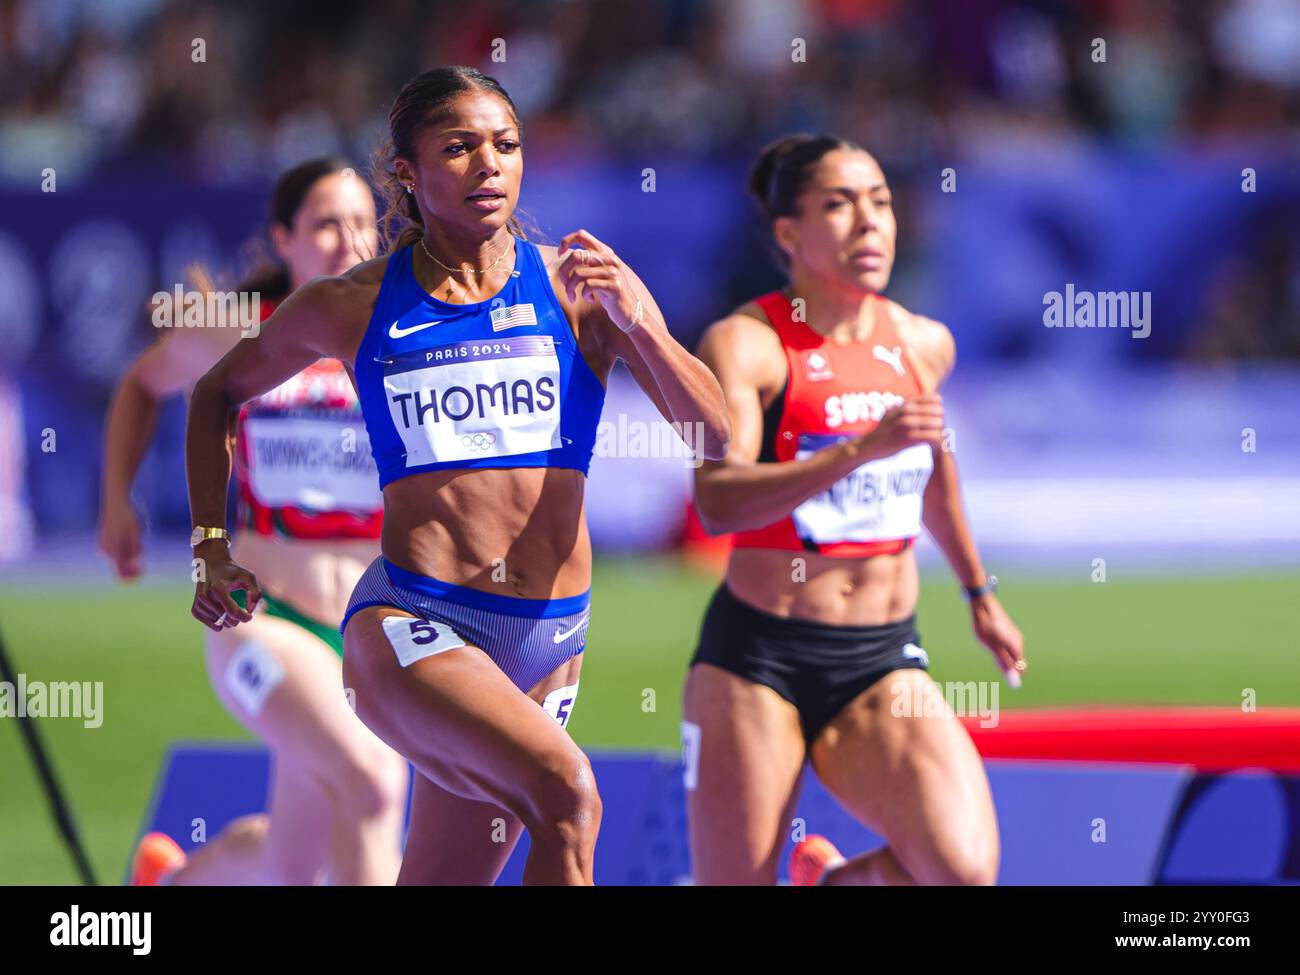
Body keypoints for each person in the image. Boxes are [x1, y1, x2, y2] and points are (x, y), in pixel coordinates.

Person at [183, 66, 730, 885]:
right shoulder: (357, 302)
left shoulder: (579, 292)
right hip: (412, 625)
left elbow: (716, 436)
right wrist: (210, 544)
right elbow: (215, 390)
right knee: (570, 796)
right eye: (459, 148)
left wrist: (642, 323)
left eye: (506, 146)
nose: (489, 165)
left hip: (549, 642)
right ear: (406, 172)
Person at [685, 133, 1026, 885]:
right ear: (788, 233)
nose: (869, 222)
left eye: (881, 202)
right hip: (757, 658)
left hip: (878, 658)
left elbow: (933, 474)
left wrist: (979, 591)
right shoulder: (748, 345)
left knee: (963, 871)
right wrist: (851, 451)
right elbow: (716, 502)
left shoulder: (921, 342)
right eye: (839, 205)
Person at [100, 157, 408, 885]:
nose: (348, 240)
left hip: (364, 637)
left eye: (363, 222)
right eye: (327, 224)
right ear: (284, 238)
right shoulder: (241, 332)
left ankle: (167, 883)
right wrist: (119, 498)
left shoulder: (398, 333)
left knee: (290, 863)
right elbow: (143, 384)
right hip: (260, 622)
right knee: (371, 783)